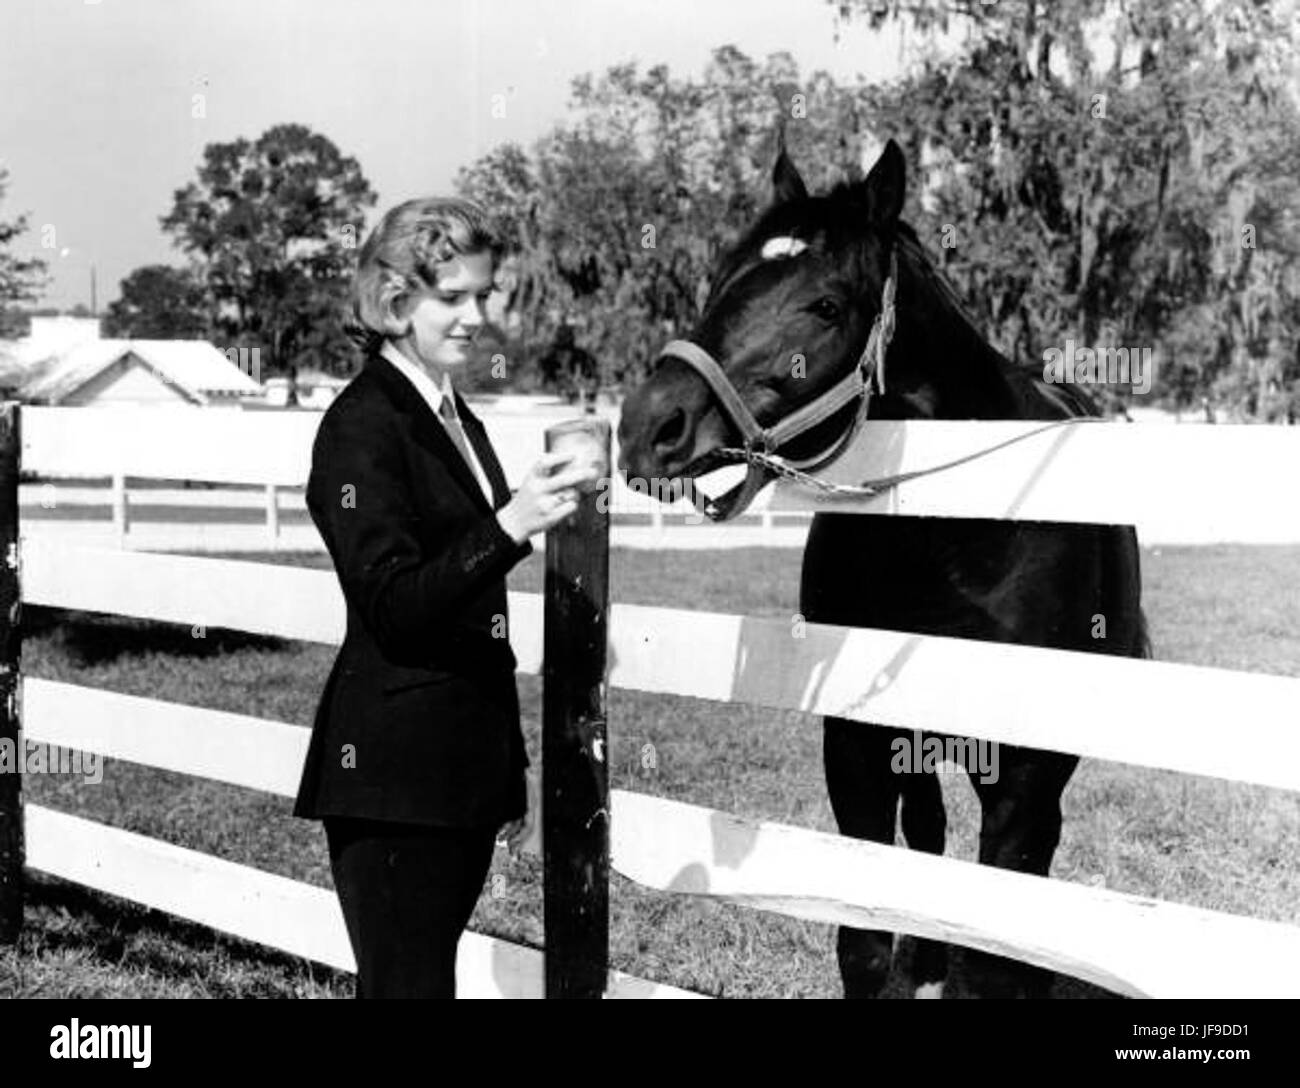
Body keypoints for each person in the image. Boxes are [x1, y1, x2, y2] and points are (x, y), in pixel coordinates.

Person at [292, 197, 597, 998]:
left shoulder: (452, 414)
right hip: (393, 775)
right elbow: (393, 605)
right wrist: (512, 524)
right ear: (396, 301)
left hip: (458, 766)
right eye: (451, 297)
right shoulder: (361, 426)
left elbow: (474, 611)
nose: (474, 317)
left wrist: (514, 761)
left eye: (483, 296)